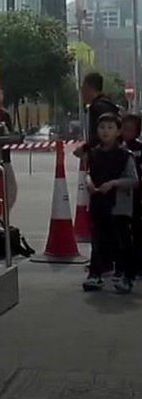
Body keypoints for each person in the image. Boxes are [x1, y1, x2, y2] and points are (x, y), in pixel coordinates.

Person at [83, 112, 137, 293]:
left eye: (110, 128)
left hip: (119, 206)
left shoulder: (124, 156)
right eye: (102, 127)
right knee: (98, 241)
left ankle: (126, 276)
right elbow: (89, 173)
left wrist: (114, 183)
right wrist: (89, 183)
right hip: (99, 203)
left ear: (118, 131)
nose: (105, 131)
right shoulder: (95, 153)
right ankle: (95, 274)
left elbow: (133, 180)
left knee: (122, 242)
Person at [74, 72, 120, 158]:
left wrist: (85, 149)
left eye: (83, 89)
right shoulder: (108, 104)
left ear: (88, 88)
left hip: (103, 157)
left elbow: (98, 137)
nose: (82, 93)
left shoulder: (97, 107)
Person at [124, 113, 142, 284]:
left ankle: (137, 264)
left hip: (137, 196)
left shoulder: (139, 149)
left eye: (131, 129)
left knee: (137, 230)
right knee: (122, 232)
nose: (127, 132)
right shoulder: (118, 148)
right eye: (124, 128)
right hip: (121, 196)